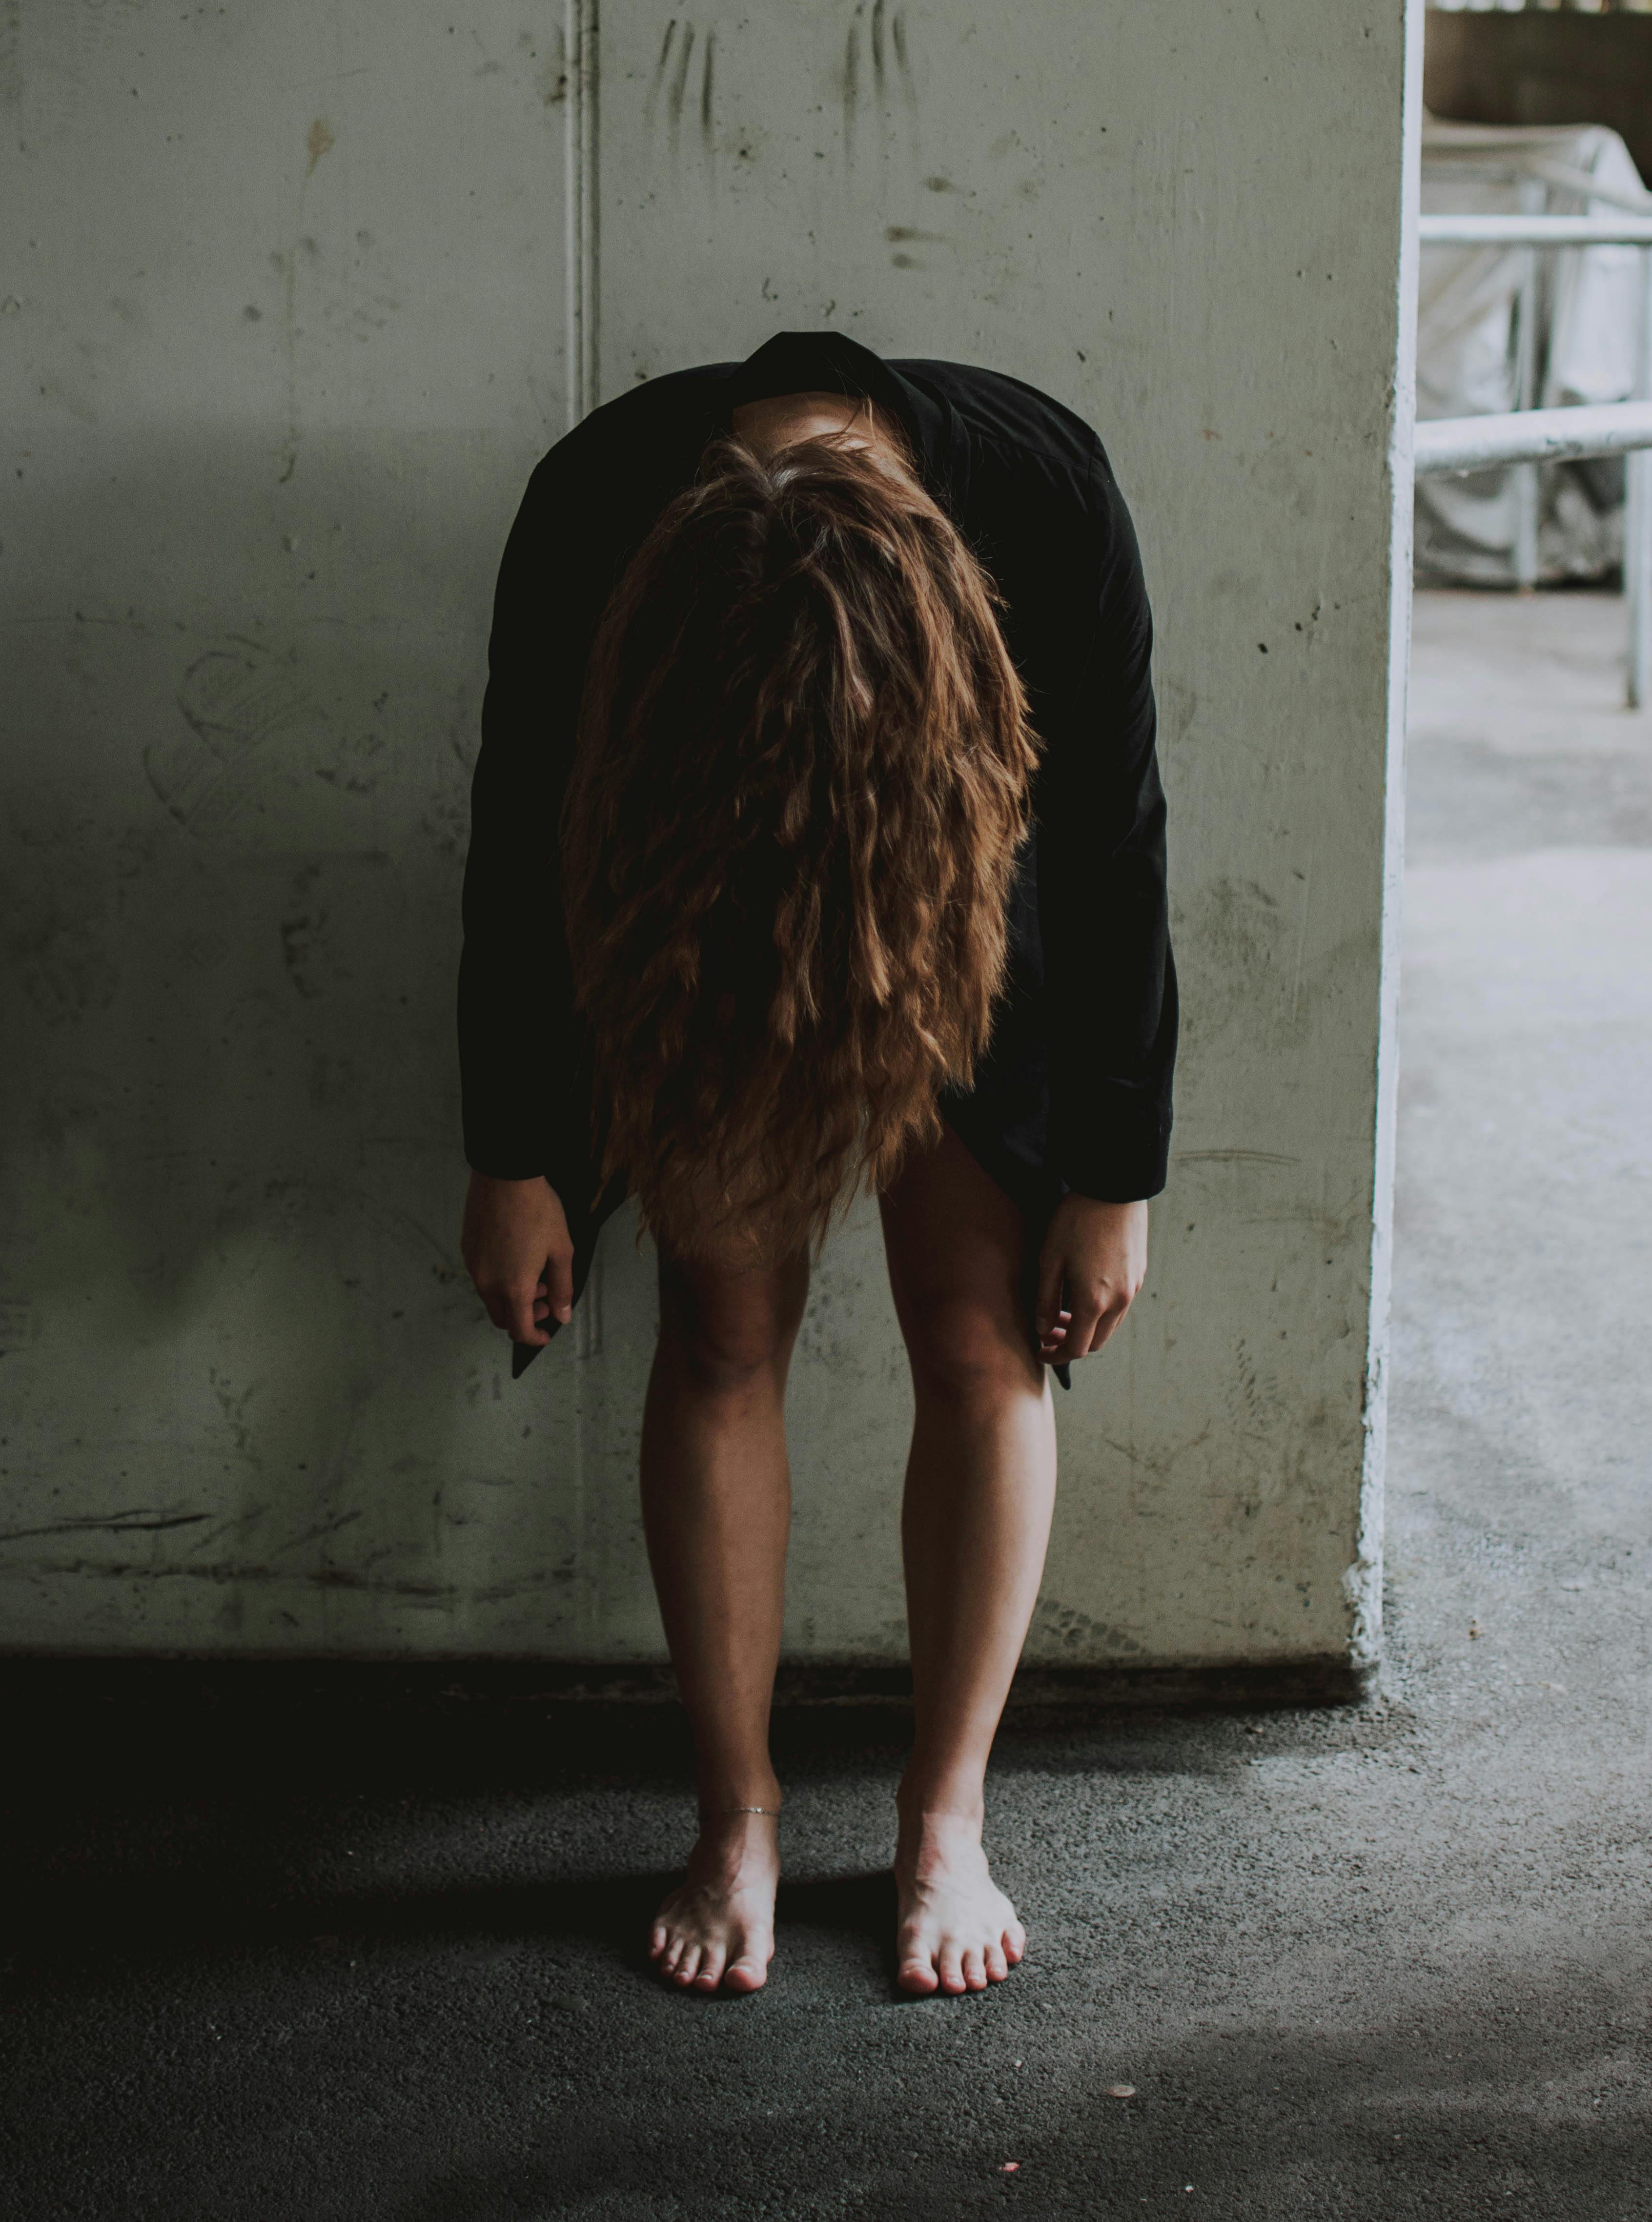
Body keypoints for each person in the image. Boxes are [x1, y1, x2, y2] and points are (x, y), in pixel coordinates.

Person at [459, 328, 1176, 1999]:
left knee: (984, 1337)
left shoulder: (1046, 489)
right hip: (705, 915)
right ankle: (738, 1817)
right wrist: (516, 1151)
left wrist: (1113, 1171)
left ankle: (944, 1822)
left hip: (963, 912)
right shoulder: (592, 505)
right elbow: (515, 827)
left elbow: (1118, 828)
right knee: (718, 1338)